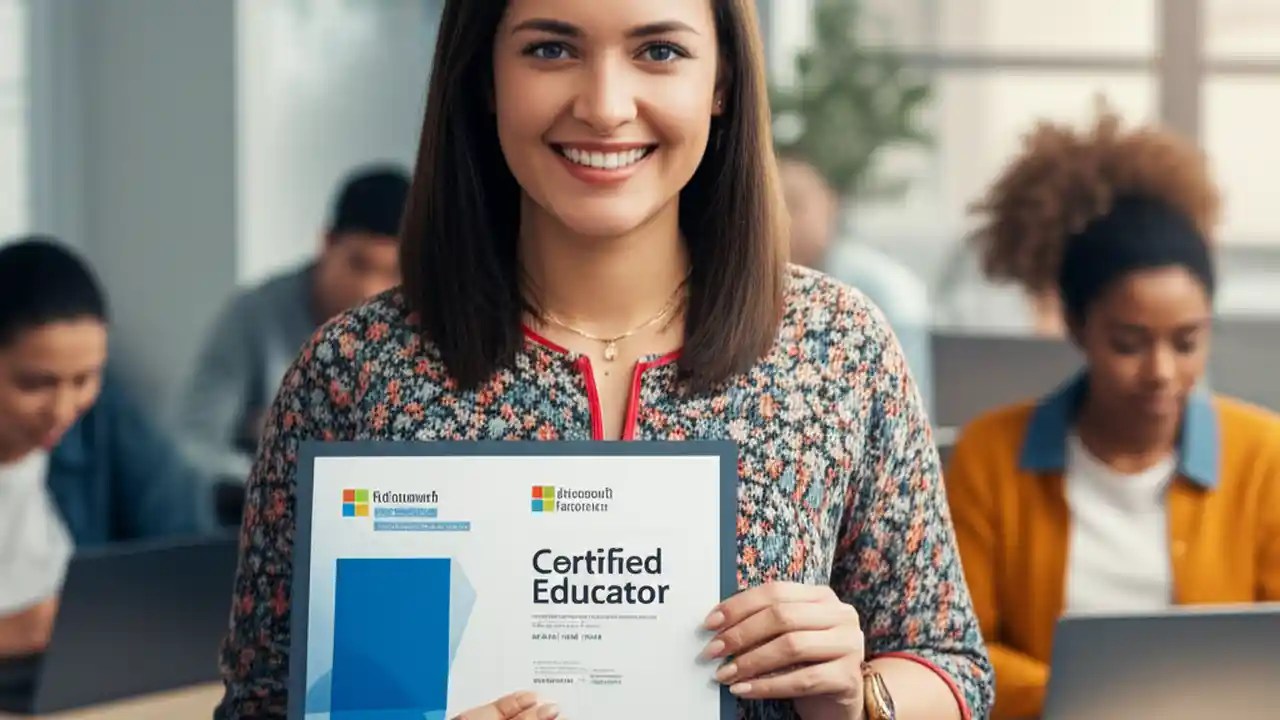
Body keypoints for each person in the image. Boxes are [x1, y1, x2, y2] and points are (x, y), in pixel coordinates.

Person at [215, 1, 993, 719]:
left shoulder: (837, 347)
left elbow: (953, 665)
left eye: (658, 50)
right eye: (551, 48)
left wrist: (860, 696)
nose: (605, 105)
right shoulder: (355, 371)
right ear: (484, 74)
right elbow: (259, 700)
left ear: (721, 81)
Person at [948, 109, 1280, 719]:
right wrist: (1088, 700)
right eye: (1129, 343)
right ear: (1077, 327)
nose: (1161, 371)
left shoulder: (1264, 454)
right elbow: (958, 647)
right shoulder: (991, 454)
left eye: (1187, 342)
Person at [0, 237, 207, 657]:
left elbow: (193, 562)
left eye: (83, 380)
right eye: (35, 384)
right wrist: (15, 632)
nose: (62, 409)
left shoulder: (105, 421)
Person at [176, 165, 410, 483]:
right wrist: (281, 481)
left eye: (392, 273)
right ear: (327, 243)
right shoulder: (254, 315)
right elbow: (193, 444)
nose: (370, 290)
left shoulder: (417, 325)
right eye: (358, 264)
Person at [777, 150, 934, 412]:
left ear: (830, 204)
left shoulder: (879, 286)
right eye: (771, 205)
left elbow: (905, 398)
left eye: (794, 204)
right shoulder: (761, 287)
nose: (782, 219)